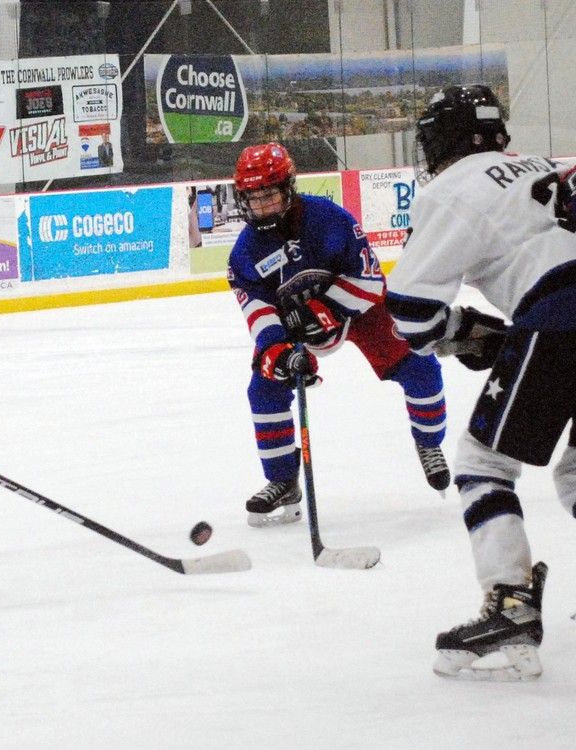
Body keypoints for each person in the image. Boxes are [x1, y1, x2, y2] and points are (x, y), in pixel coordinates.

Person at [386, 84, 576, 680]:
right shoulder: (543, 164)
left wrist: (465, 331)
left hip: (561, 314)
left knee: (481, 462)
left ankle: (511, 602)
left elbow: (410, 310)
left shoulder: (453, 186)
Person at [228, 142, 449, 528]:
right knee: (264, 388)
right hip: (293, 323)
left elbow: (371, 281)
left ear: (289, 188)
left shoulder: (330, 220)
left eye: (269, 197)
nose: (261, 207)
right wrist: (278, 349)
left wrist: (327, 309)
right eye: (253, 199)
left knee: (419, 363)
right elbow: (258, 310)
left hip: (357, 311)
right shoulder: (244, 252)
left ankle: (429, 443)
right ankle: (283, 481)